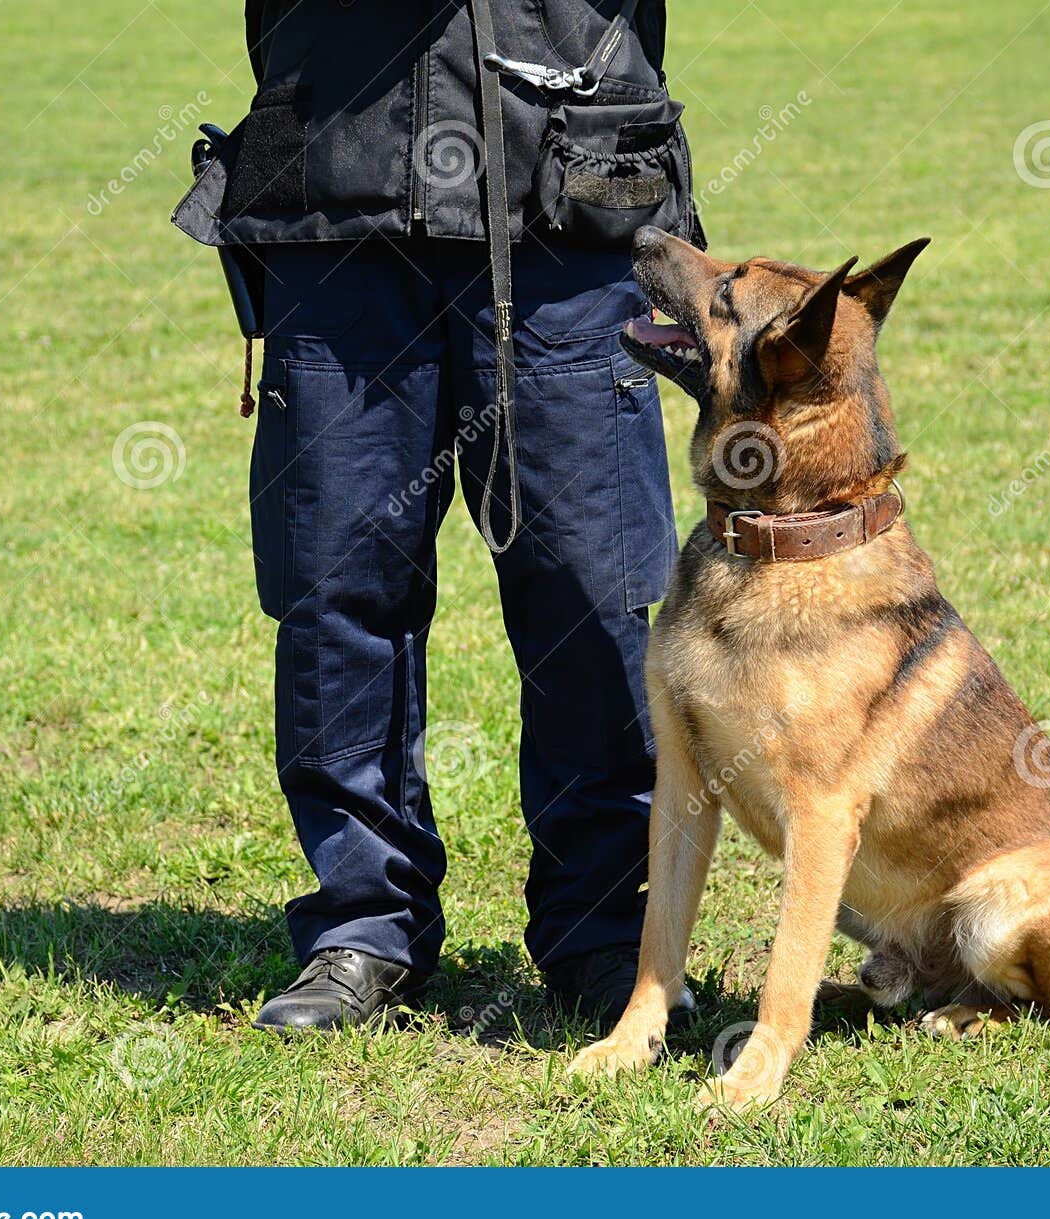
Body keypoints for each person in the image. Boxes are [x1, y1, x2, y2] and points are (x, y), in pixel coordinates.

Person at [173, 1, 704, 1030]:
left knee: (591, 590)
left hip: (570, 204)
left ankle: (602, 935)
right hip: (337, 199)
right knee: (334, 590)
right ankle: (362, 929)